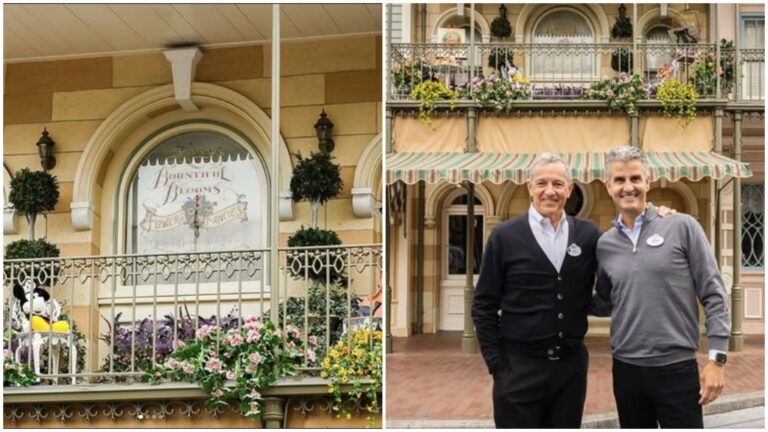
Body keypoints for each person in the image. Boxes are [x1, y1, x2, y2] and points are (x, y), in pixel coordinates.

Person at [591, 146, 730, 428]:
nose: (628, 187)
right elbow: (605, 302)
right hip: (626, 370)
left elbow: (714, 293)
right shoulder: (605, 244)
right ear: (608, 186)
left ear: (648, 180)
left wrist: (717, 358)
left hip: (676, 369)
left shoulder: (682, 226)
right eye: (619, 180)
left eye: (635, 178)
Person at [472, 153, 600, 428]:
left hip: (570, 371)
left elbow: (624, 256)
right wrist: (497, 365)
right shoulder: (504, 236)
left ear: (570, 188)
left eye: (557, 183)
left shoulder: (588, 234)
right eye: (542, 183)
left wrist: (657, 218)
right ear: (529, 187)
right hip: (518, 368)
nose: (549, 191)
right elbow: (483, 304)